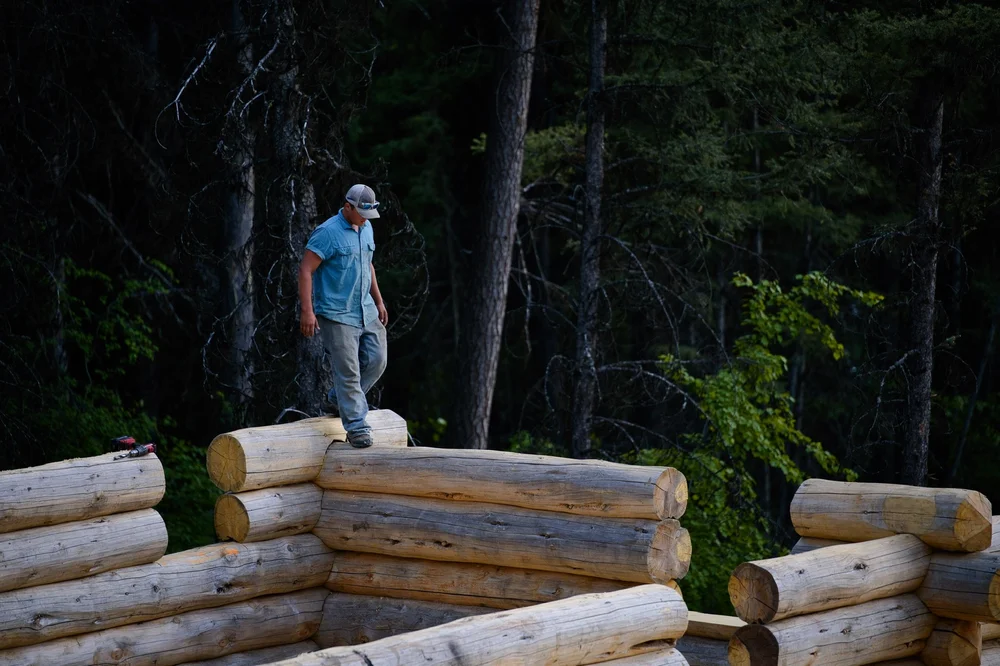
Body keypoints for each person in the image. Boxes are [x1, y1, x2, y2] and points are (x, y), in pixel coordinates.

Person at [298, 184, 388, 448]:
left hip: (365, 308)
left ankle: (339, 398)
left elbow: (368, 264)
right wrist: (307, 311)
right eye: (361, 213)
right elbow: (305, 270)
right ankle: (357, 427)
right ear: (347, 207)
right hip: (338, 313)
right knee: (348, 371)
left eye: (368, 215)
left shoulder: (367, 226)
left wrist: (379, 300)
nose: (365, 219)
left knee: (377, 360)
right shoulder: (327, 233)